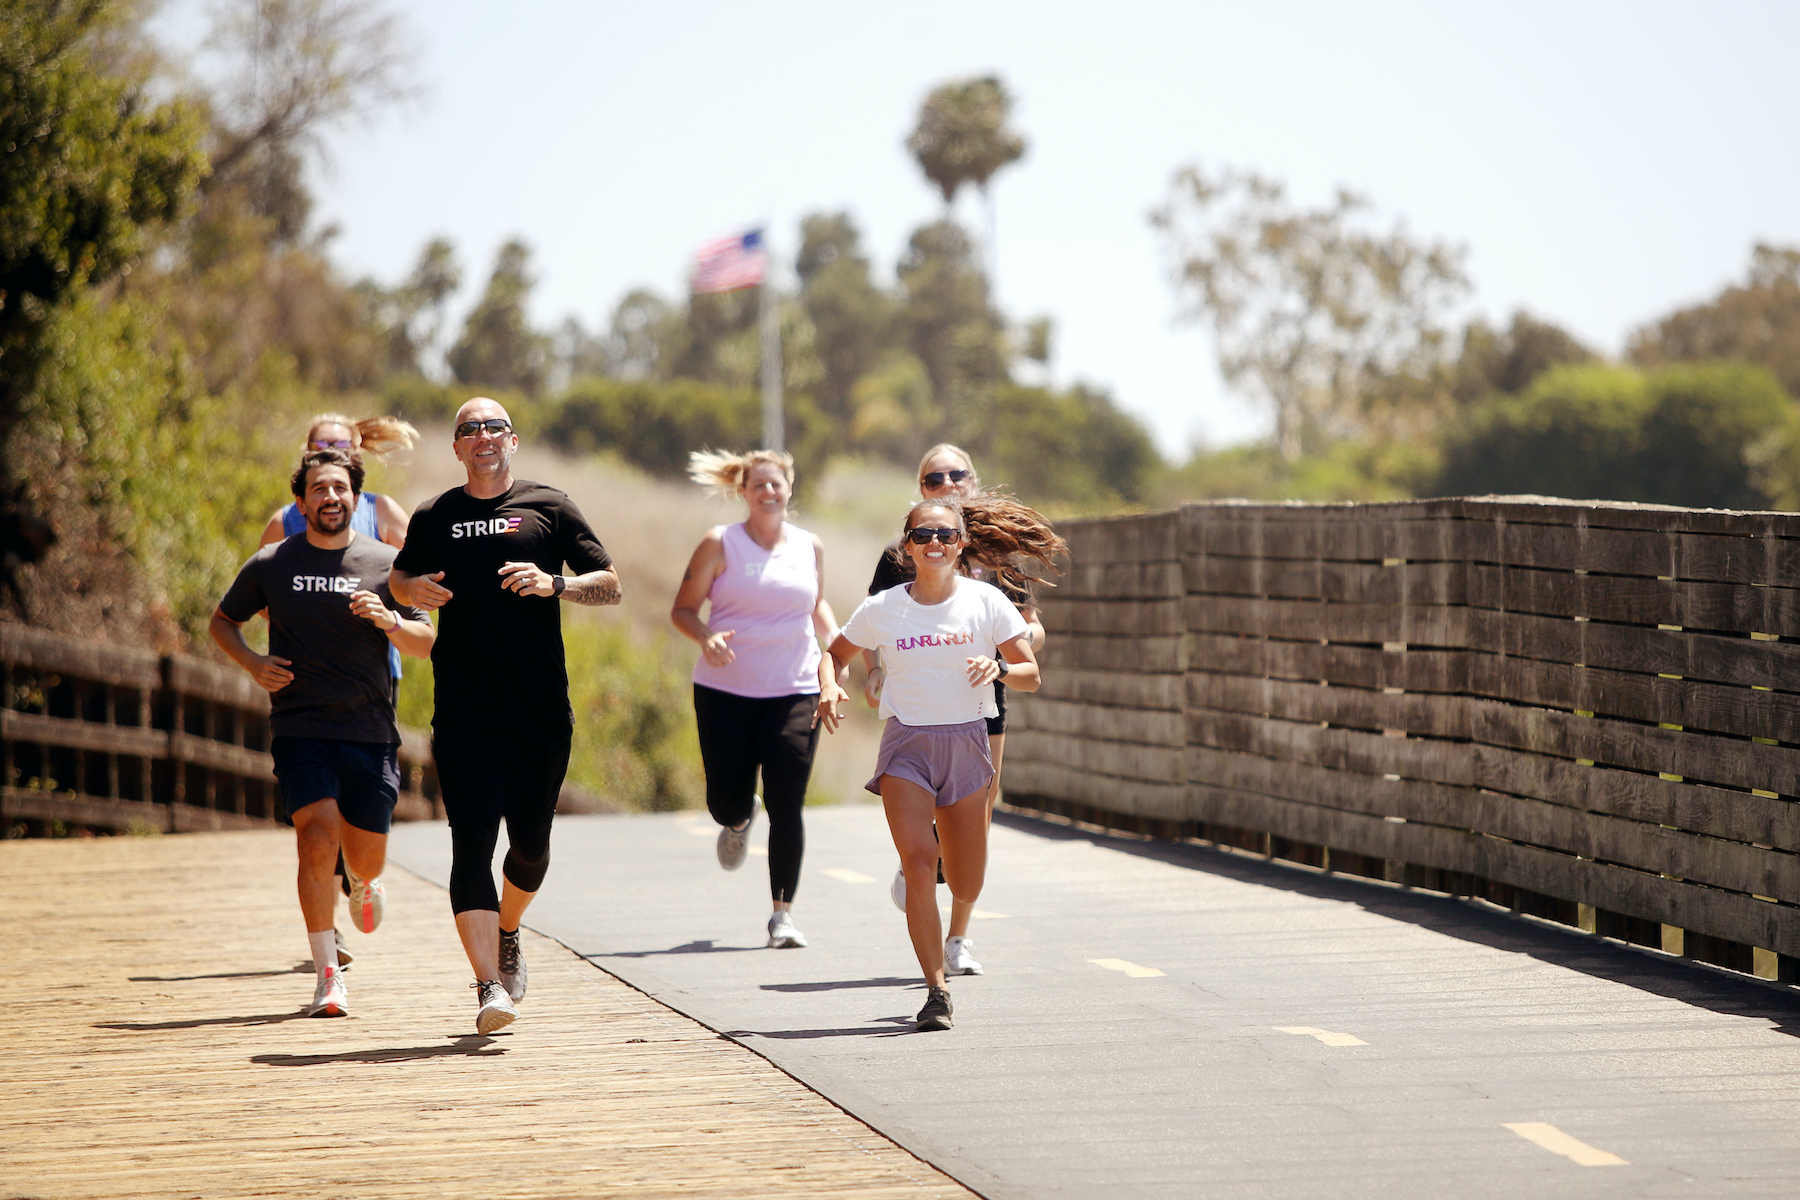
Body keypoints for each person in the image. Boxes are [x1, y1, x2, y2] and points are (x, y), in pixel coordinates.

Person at [389, 398, 622, 1035]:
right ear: (457, 447)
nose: (483, 436)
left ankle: (510, 929)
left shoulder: (550, 506)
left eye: (494, 427)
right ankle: (489, 984)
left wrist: (555, 584)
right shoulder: (435, 515)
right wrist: (410, 591)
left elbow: (609, 583)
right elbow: (400, 578)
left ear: (512, 441)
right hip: (463, 712)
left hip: (539, 710)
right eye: (470, 429)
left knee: (530, 846)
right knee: (471, 846)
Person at [209, 450, 436, 1018]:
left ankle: (362, 880)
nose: (330, 497)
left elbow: (426, 642)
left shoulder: (388, 564)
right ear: (301, 500)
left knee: (367, 858)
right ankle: (327, 975)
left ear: (355, 498)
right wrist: (253, 663)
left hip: (369, 729)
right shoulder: (271, 563)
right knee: (316, 834)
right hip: (300, 726)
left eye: (340, 488)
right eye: (318, 488)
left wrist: (389, 619)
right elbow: (222, 622)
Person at [819, 496, 1046, 1032]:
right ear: (908, 546)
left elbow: (1031, 673)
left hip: (967, 743)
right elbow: (835, 653)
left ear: (961, 543)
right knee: (919, 862)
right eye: (923, 535)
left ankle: (950, 873)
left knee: (965, 882)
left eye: (945, 535)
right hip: (907, 746)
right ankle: (936, 991)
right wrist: (829, 685)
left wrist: (997, 668)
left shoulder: (986, 601)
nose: (935, 544)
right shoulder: (884, 608)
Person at [867, 445, 1050, 978]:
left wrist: (1013, 645)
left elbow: (1032, 627)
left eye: (957, 474)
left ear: (974, 480)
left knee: (980, 808)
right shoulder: (901, 555)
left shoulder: (1000, 555)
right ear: (920, 488)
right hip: (921, 704)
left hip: (981, 695)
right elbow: (873, 623)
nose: (947, 484)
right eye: (934, 479)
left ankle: (958, 938)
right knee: (927, 805)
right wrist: (875, 671)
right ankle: (920, 859)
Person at [671, 449, 842, 950]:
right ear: (743, 491)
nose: (769, 491)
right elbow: (683, 609)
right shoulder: (720, 543)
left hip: (796, 687)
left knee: (788, 801)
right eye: (759, 485)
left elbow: (815, 606)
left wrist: (838, 649)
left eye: (776, 484)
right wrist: (706, 637)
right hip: (725, 690)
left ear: (790, 488)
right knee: (724, 801)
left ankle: (781, 916)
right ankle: (739, 816)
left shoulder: (810, 546)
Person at [260, 413, 418, 550]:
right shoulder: (283, 521)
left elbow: (416, 569)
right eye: (320, 445)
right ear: (307, 451)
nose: (331, 451)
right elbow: (262, 573)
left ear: (356, 451)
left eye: (342, 445)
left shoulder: (380, 510)